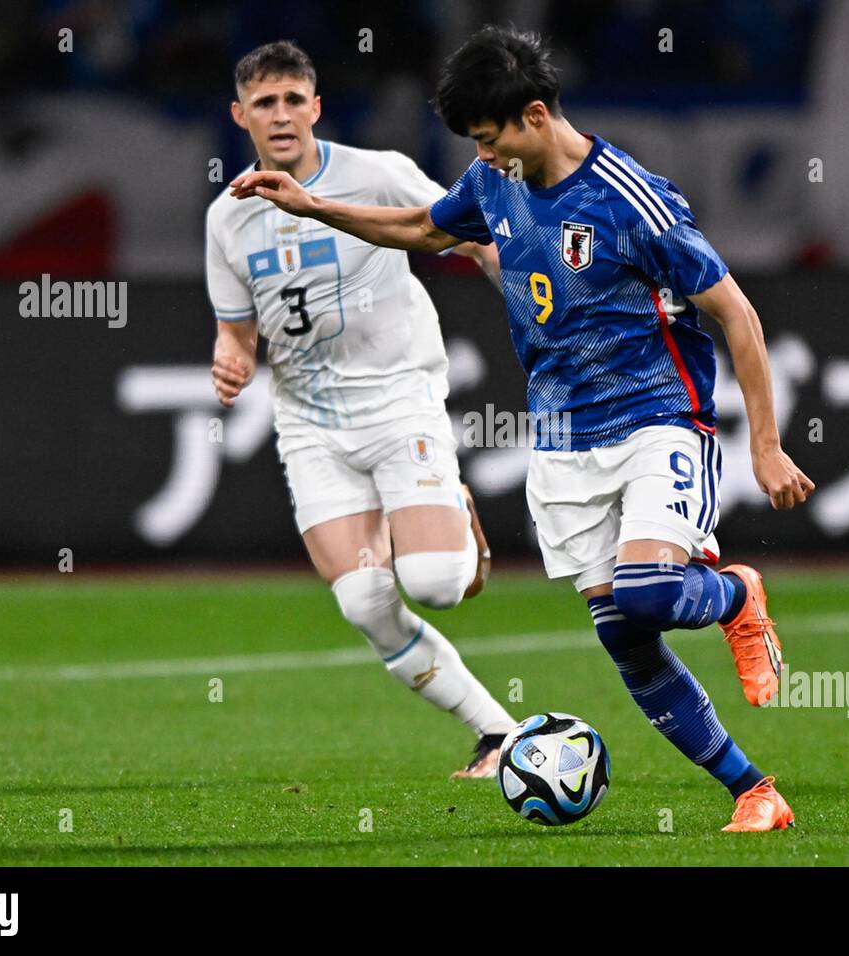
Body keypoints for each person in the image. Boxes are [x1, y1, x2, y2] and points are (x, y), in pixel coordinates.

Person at [229, 26, 816, 830]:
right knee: (627, 642)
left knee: (646, 594)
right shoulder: (493, 181)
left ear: (535, 115)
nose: (485, 156)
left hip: (656, 423)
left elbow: (736, 313)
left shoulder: (630, 200)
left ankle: (734, 595)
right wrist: (314, 206)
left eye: (490, 139)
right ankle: (754, 791)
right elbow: (424, 230)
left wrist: (766, 445)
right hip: (564, 444)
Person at [207, 40, 516, 779]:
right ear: (239, 114)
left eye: (292, 99)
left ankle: (451, 512)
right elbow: (236, 326)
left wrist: (535, 303)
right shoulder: (227, 217)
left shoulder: (375, 174)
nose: (279, 115)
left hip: (398, 398)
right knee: (364, 605)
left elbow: (464, 235)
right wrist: (232, 357)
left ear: (315, 106)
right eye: (264, 103)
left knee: (438, 585)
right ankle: (498, 732)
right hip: (310, 424)